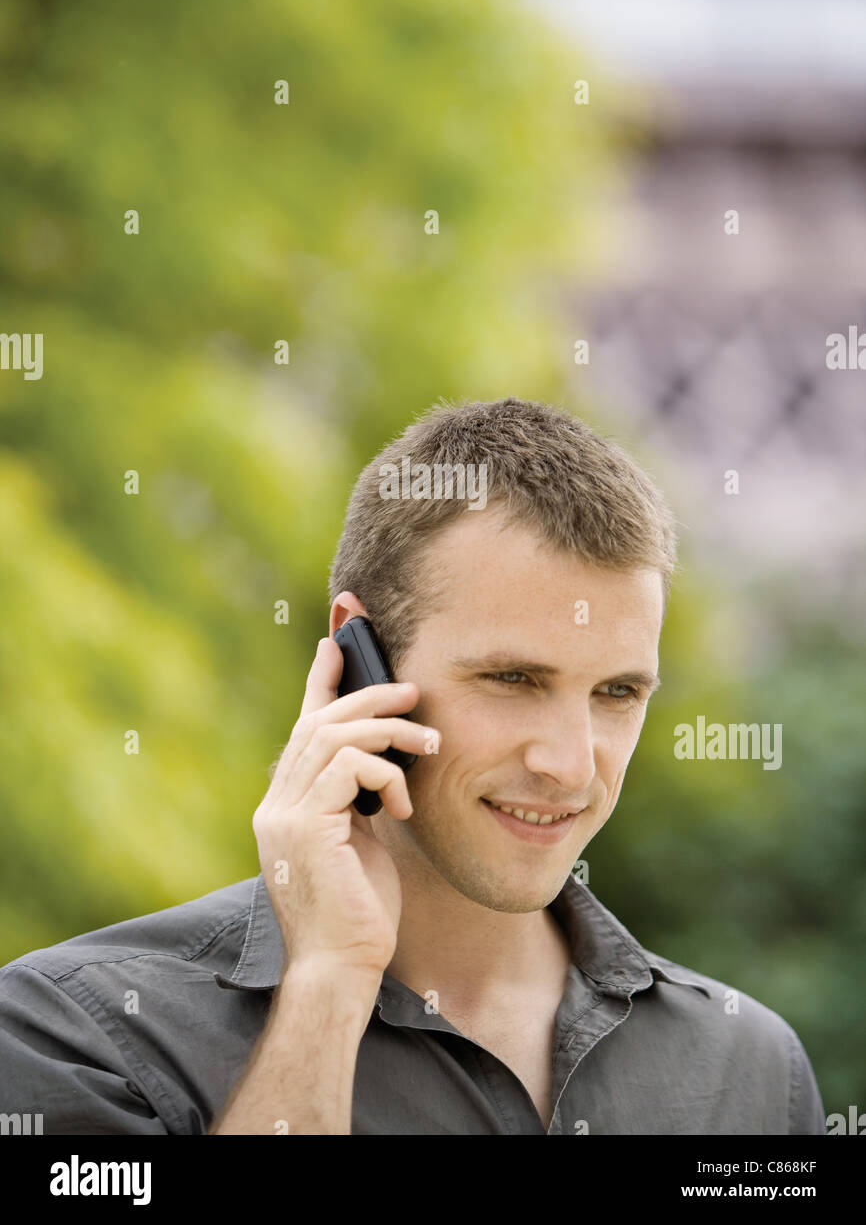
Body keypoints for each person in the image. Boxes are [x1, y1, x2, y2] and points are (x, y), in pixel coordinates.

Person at [0, 397, 826, 1135]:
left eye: (616, 692)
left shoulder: (750, 1070)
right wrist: (326, 983)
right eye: (513, 679)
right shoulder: (75, 1034)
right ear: (363, 655)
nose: (572, 766)